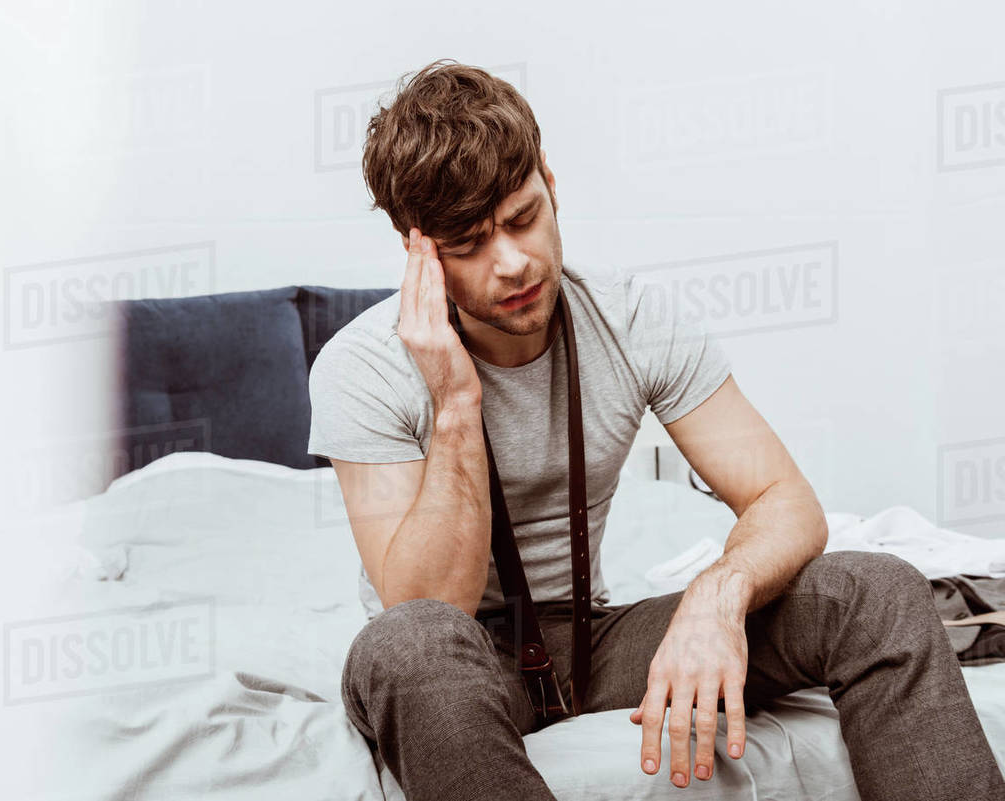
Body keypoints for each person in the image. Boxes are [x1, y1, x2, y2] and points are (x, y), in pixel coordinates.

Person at [305, 58, 1005, 801]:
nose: (511, 262)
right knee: (406, 642)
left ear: (549, 179)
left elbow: (782, 497)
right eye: (469, 244)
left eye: (521, 217)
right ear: (418, 248)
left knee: (875, 587)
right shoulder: (364, 366)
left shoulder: (633, 317)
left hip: (592, 640)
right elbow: (428, 605)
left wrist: (720, 593)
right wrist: (452, 402)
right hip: (457, 656)